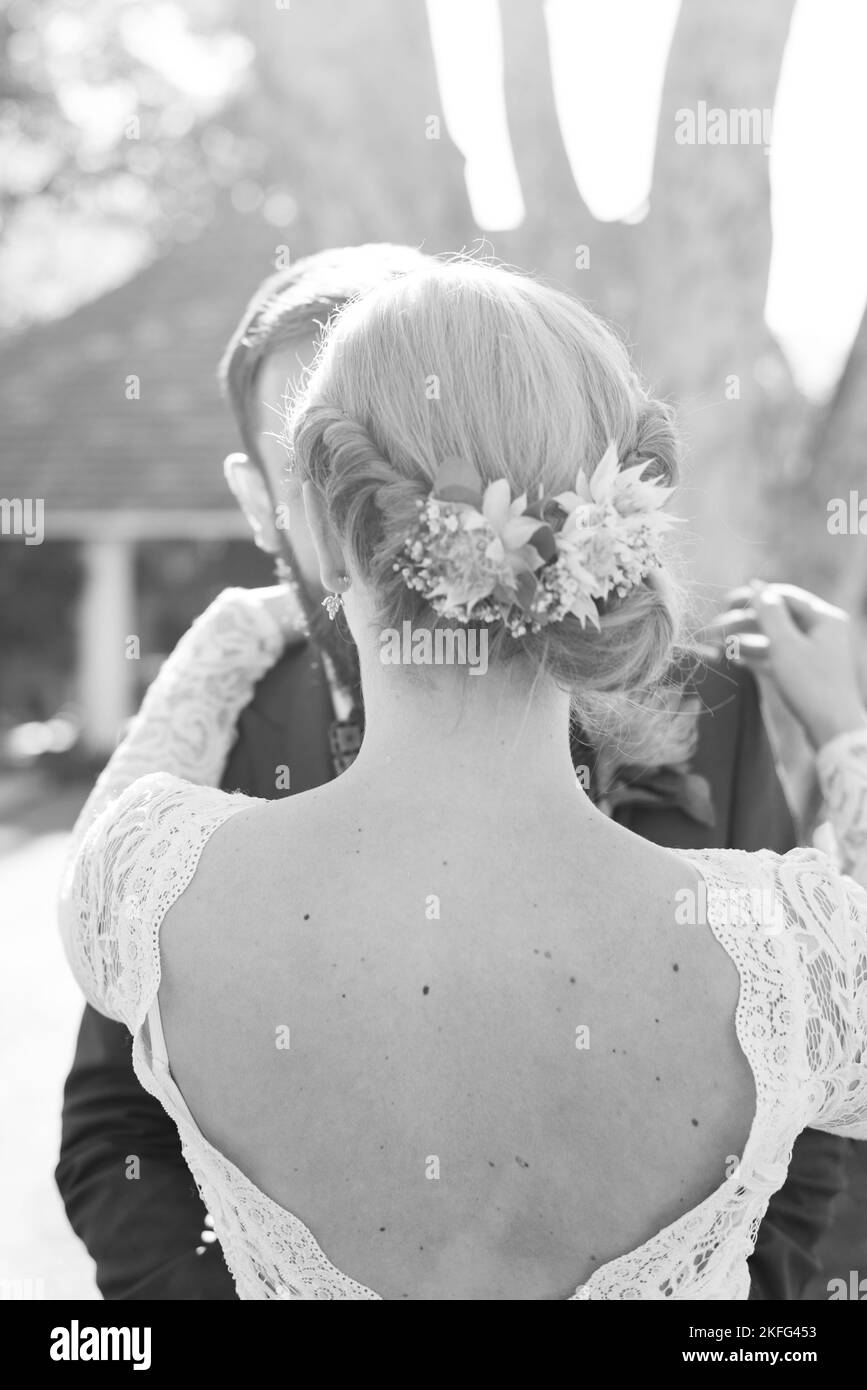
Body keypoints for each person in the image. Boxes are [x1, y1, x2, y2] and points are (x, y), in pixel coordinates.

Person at [58, 259, 867, 1300]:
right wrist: (845, 727)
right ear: (619, 533)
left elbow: (109, 830)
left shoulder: (140, 881)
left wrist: (212, 650)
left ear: (313, 523)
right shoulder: (798, 948)